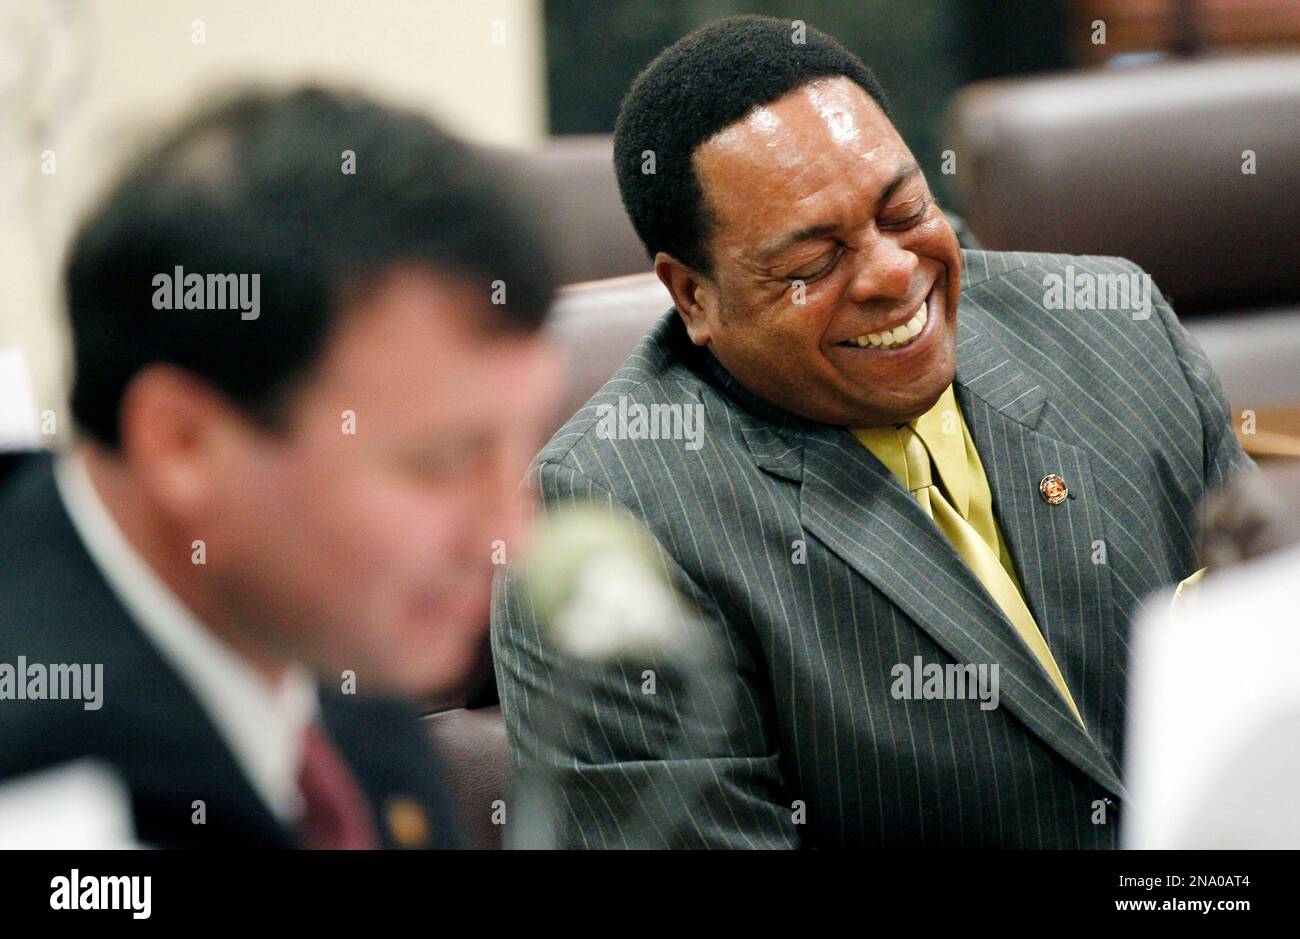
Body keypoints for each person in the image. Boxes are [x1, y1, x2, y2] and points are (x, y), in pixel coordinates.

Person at [492, 16, 1253, 848]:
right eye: (815, 263)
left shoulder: (1116, 329)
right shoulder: (612, 514)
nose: (894, 273)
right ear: (693, 296)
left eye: (905, 209)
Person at [0, 86, 560, 848]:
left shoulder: (315, 618)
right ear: (184, 445)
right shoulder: (50, 808)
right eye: (437, 463)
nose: (508, 540)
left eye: (516, 447)